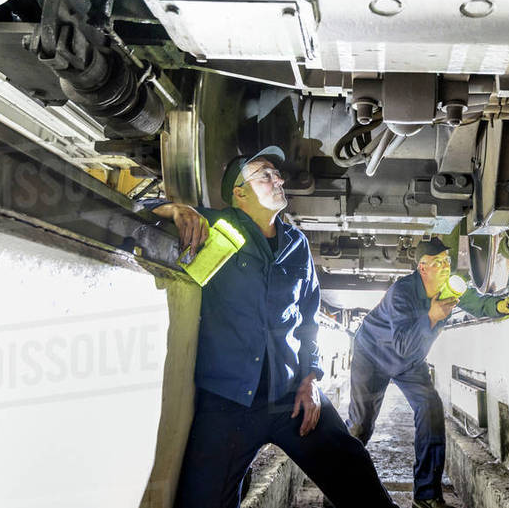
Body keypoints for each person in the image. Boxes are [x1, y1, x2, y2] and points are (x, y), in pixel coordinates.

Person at [151, 146, 398, 508]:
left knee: (355, 473)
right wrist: (175, 209)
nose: (279, 179)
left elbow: (308, 318)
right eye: (265, 174)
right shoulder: (216, 227)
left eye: (276, 174)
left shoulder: (297, 244)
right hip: (228, 401)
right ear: (240, 193)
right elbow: (142, 210)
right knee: (201, 501)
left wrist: (311, 378)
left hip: (291, 396)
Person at [347, 238, 509, 508]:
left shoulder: (450, 286)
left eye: (447, 261)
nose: (445, 267)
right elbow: (402, 345)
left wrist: (498, 306)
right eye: (438, 263)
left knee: (430, 408)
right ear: (423, 267)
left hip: (409, 362)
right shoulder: (401, 292)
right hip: (372, 355)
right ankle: (338, 490)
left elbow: (477, 302)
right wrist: (430, 317)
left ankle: (427, 495)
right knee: (360, 426)